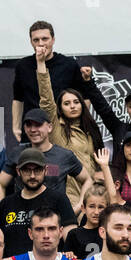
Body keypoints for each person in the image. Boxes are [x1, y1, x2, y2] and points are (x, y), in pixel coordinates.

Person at [37, 47, 105, 209]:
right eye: (67, 103)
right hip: (67, 195)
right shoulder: (56, 130)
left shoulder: (90, 129)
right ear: (60, 109)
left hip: (92, 196)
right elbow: (46, 100)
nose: (73, 106)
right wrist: (41, 64)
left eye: (76, 102)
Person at [0, 109, 96, 208]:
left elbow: (87, 180)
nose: (33, 129)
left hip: (54, 219)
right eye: (29, 125)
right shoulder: (17, 153)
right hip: (22, 217)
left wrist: (78, 207)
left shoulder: (64, 155)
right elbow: (0, 184)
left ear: (50, 127)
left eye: (38, 125)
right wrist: (0, 212)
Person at [0, 148, 77, 258]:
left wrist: (71, 252)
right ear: (18, 171)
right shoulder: (6, 203)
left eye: (37, 170)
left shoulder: (59, 199)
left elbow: (72, 238)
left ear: (46, 170)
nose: (32, 176)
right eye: (27, 170)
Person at [11, 20, 84, 142]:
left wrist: (77, 125)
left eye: (45, 39)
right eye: (36, 40)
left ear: (53, 40)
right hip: (32, 129)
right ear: (31, 42)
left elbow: (83, 98)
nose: (41, 44)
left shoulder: (68, 65)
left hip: (63, 130)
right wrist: (16, 127)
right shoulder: (22, 66)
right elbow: (18, 99)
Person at [64, 183, 110, 259]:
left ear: (107, 209)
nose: (96, 212)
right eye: (91, 206)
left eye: (101, 207)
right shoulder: (73, 234)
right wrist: (68, 255)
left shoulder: (110, 233)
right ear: (83, 208)